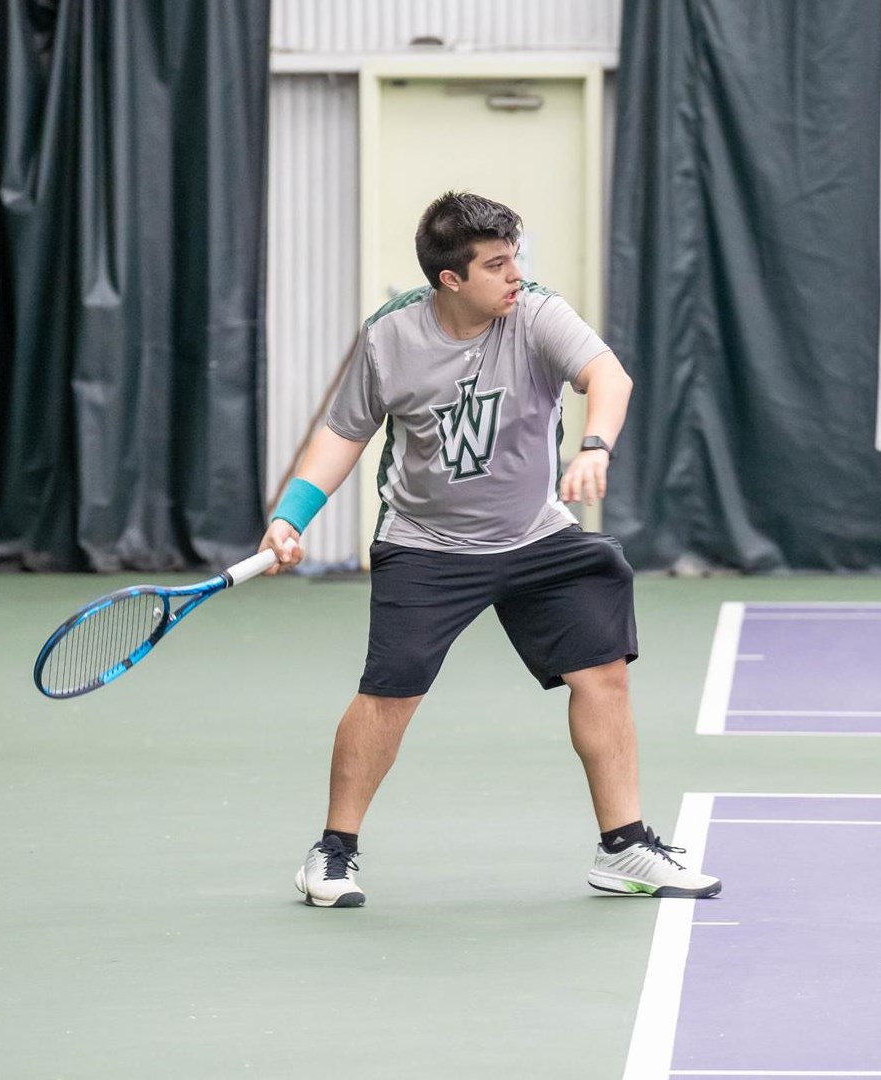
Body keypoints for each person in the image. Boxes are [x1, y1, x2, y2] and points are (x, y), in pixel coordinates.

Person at [257, 191, 722, 908]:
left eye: (516, 259)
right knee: (391, 695)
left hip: (537, 536)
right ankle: (332, 854)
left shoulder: (534, 312)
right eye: (497, 265)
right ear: (450, 279)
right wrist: (292, 515)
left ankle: (624, 847)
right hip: (427, 544)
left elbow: (608, 376)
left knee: (602, 675)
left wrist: (594, 443)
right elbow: (343, 434)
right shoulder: (389, 337)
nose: (515, 276)